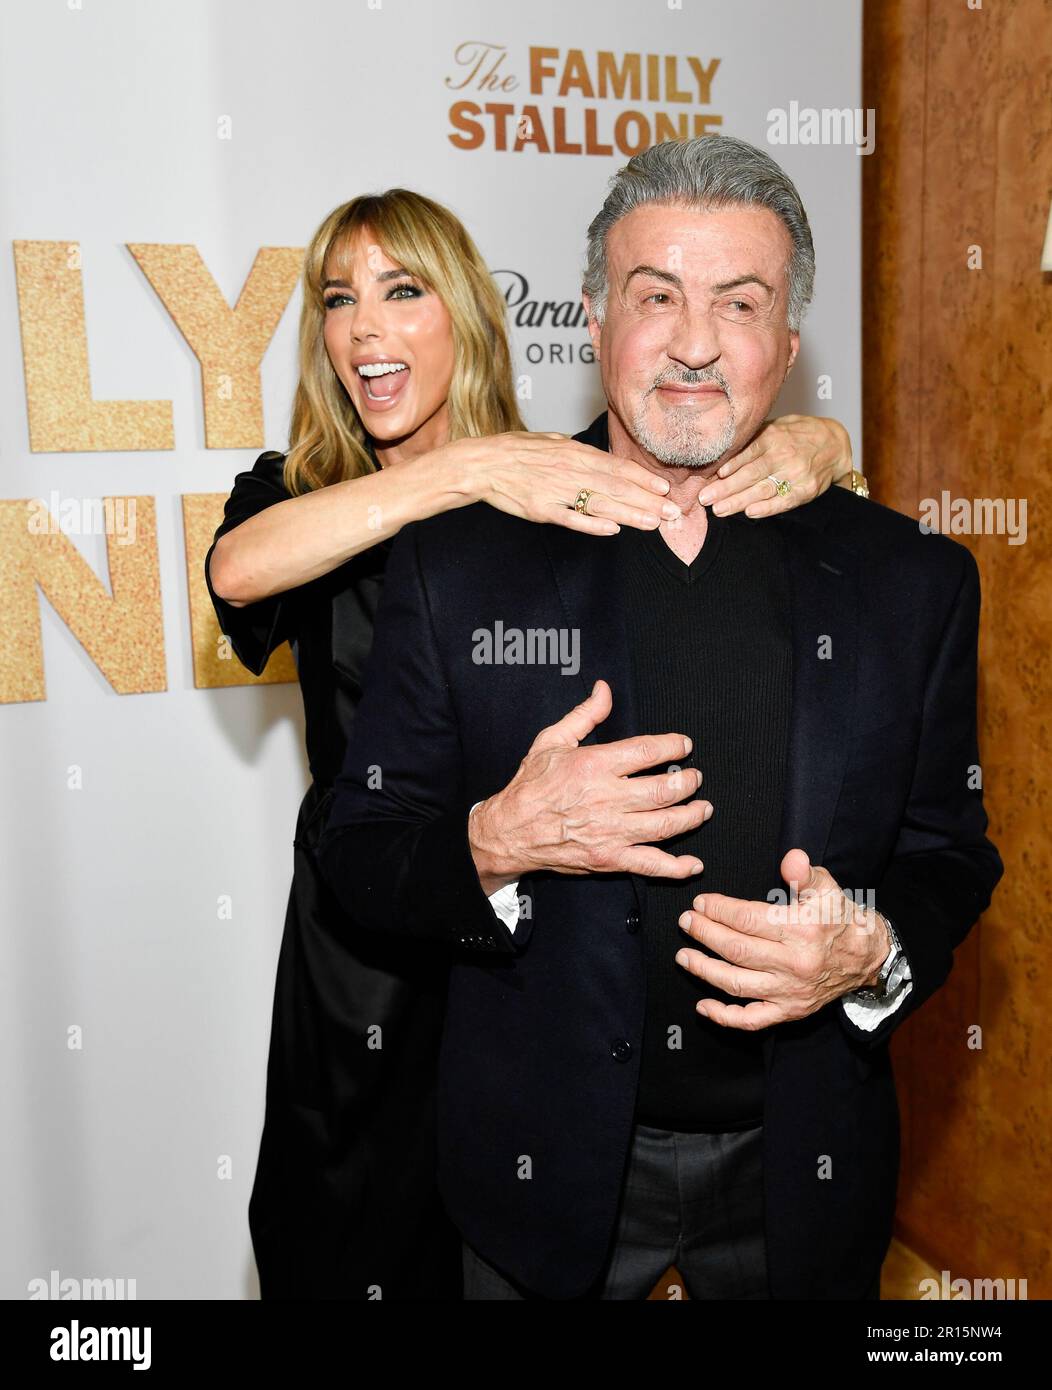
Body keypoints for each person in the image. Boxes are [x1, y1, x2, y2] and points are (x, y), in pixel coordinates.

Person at [317, 137, 1003, 1301]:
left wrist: (871, 948)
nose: (693, 342)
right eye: (655, 296)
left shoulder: (907, 580)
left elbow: (948, 853)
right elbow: (359, 854)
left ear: (788, 342)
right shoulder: (459, 563)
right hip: (538, 1173)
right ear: (591, 319)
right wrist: (497, 837)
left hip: (804, 1173)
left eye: (739, 303)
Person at [206, 183, 862, 1300]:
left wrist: (816, 431)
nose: (363, 326)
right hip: (364, 951)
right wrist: (458, 470)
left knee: (495, 1238)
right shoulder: (303, 490)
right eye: (336, 299)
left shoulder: (556, 482)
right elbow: (236, 573)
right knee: (344, 1232)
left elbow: (697, 493)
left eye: (400, 290)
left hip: (528, 943)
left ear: (462, 309)